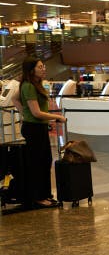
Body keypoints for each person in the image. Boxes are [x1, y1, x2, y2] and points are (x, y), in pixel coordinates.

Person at [18, 57, 66, 209]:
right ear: (31, 70)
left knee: (45, 161)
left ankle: (45, 195)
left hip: (38, 127)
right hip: (33, 129)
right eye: (40, 67)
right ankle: (38, 197)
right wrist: (57, 117)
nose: (44, 69)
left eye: (44, 66)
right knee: (37, 163)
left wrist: (25, 113)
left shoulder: (35, 85)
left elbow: (15, 99)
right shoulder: (28, 86)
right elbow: (37, 113)